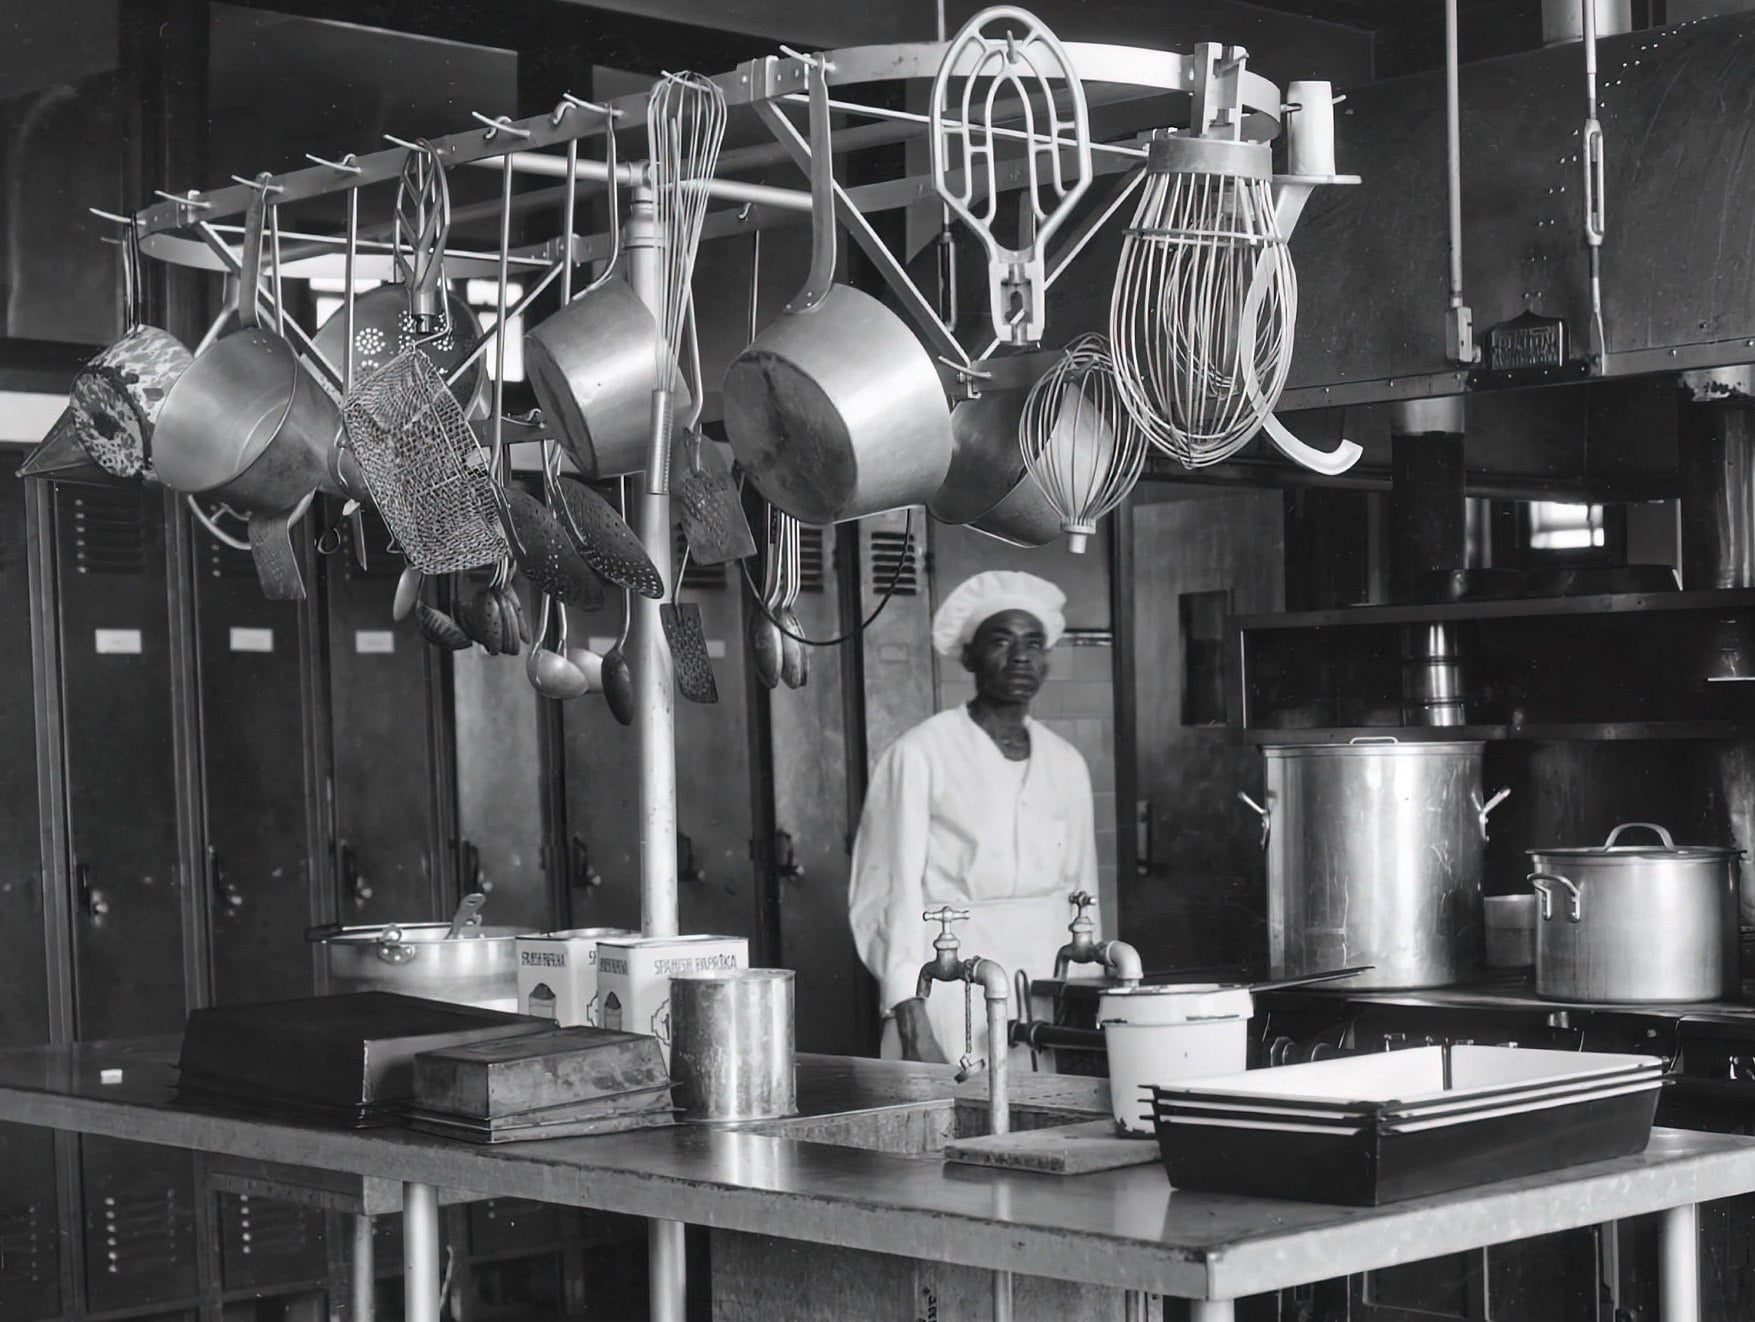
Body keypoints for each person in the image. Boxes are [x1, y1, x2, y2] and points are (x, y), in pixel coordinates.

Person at [848, 570, 1100, 1067]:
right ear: (969, 655)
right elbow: (886, 893)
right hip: (948, 984)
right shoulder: (921, 753)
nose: (1020, 656)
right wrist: (908, 1010)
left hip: (1043, 985)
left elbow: (1084, 895)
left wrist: (1085, 1001)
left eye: (1033, 642)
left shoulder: (1066, 761)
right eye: (1001, 641)